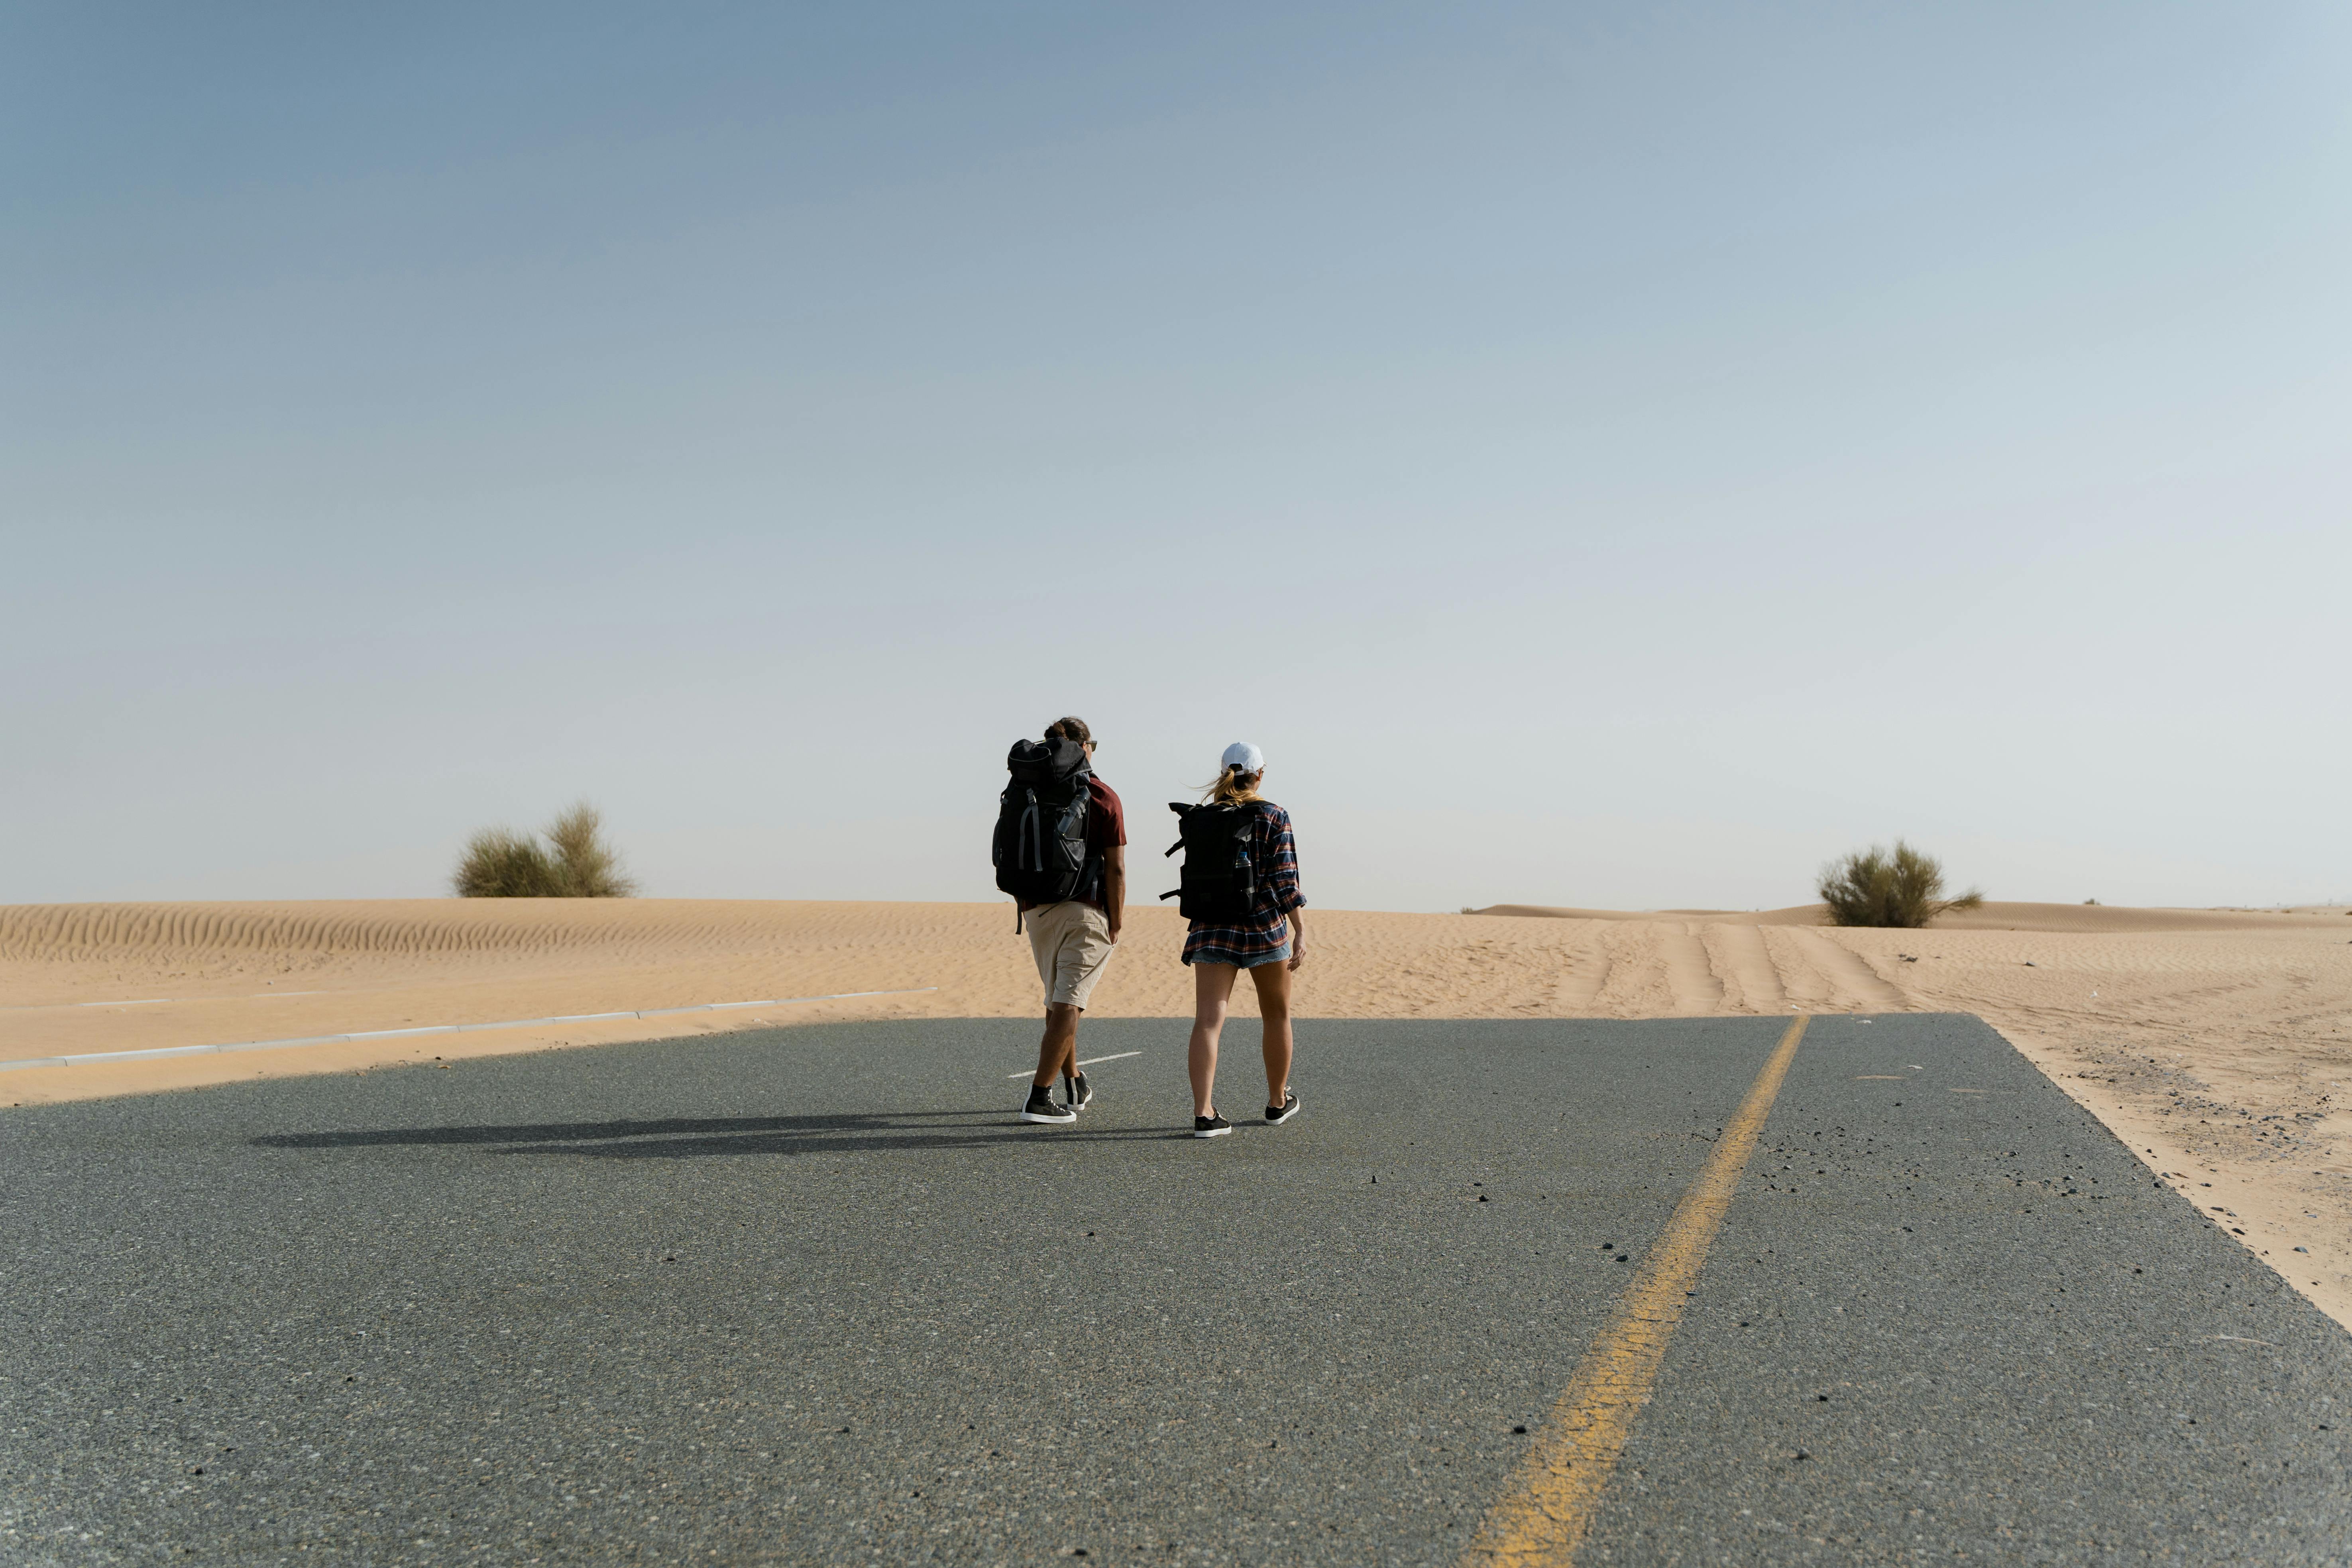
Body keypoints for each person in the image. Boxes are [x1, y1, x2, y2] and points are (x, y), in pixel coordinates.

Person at [1181, 741, 1305, 1138]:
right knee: (1276, 1015)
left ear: (1224, 773)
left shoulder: (1205, 817)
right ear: (1261, 775)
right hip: (1265, 928)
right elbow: (1286, 881)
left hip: (1212, 926)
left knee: (1208, 1021)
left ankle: (1205, 1114)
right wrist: (1300, 929)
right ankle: (1276, 1100)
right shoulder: (1273, 815)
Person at [1017, 716, 1127, 1125]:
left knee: (1061, 1000)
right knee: (1068, 1002)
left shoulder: (1030, 791)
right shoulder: (1101, 795)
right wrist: (1116, 920)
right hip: (1085, 909)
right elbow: (1115, 869)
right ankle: (1039, 1097)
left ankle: (1075, 1082)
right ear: (1085, 748)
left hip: (1035, 910)